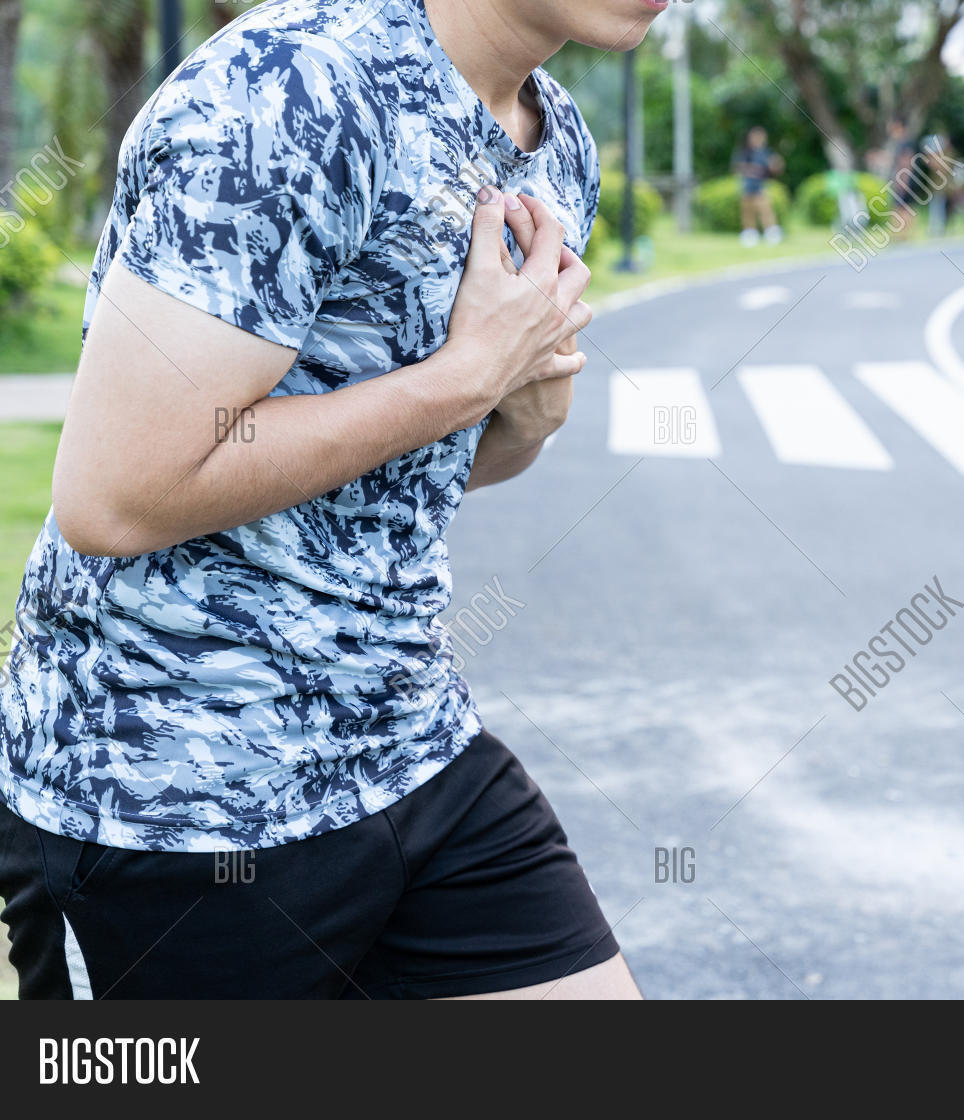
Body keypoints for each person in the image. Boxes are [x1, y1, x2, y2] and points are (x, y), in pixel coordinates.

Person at [0, 0, 660, 1000]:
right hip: (169, 793)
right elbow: (117, 492)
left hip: (408, 746)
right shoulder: (285, 92)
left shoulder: (553, 142)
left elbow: (418, 474)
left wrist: (526, 409)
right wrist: (464, 378)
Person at [733, 126, 784, 246]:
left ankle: (772, 234)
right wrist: (752, 170)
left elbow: (776, 168)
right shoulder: (745, 151)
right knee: (748, 213)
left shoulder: (767, 153)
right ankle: (750, 235)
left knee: (766, 211)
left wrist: (776, 166)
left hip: (761, 187)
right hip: (747, 186)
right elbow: (738, 167)